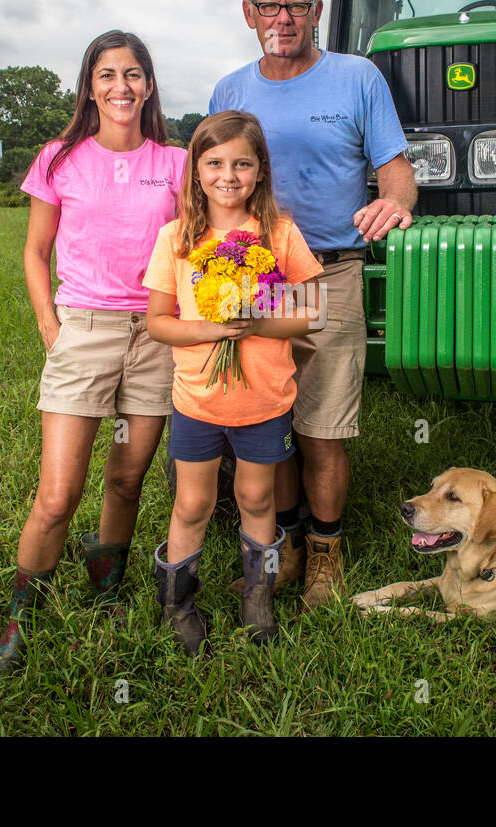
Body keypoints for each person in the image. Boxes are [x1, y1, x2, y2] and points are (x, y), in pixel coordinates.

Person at [208, 0, 417, 607]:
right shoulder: (230, 90)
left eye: (297, 4)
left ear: (317, 11)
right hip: (253, 281)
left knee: (322, 427)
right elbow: (209, 181)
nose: (284, 17)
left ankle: (325, 552)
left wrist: (398, 200)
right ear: (249, 14)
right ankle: (288, 541)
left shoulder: (357, 78)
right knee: (268, 426)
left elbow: (396, 168)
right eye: (269, 5)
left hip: (329, 271)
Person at [0, 30, 187, 676]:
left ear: (148, 85)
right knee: (57, 493)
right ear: (90, 85)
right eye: (107, 74)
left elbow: (195, 249)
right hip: (86, 326)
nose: (121, 86)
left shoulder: (176, 163)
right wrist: (51, 325)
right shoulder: (59, 158)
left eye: (132, 74)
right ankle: (20, 619)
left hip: (156, 333)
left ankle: (105, 591)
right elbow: (34, 252)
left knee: (127, 478)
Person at [143, 110, 322, 654]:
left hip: (265, 401)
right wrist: (209, 327)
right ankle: (177, 603)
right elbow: (157, 322)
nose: (228, 174)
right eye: (215, 162)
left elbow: (311, 311)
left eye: (242, 163)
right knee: (192, 505)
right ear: (195, 171)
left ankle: (257, 597)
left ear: (261, 171)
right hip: (197, 400)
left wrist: (256, 324)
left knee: (256, 496)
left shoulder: (279, 234)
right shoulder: (177, 238)